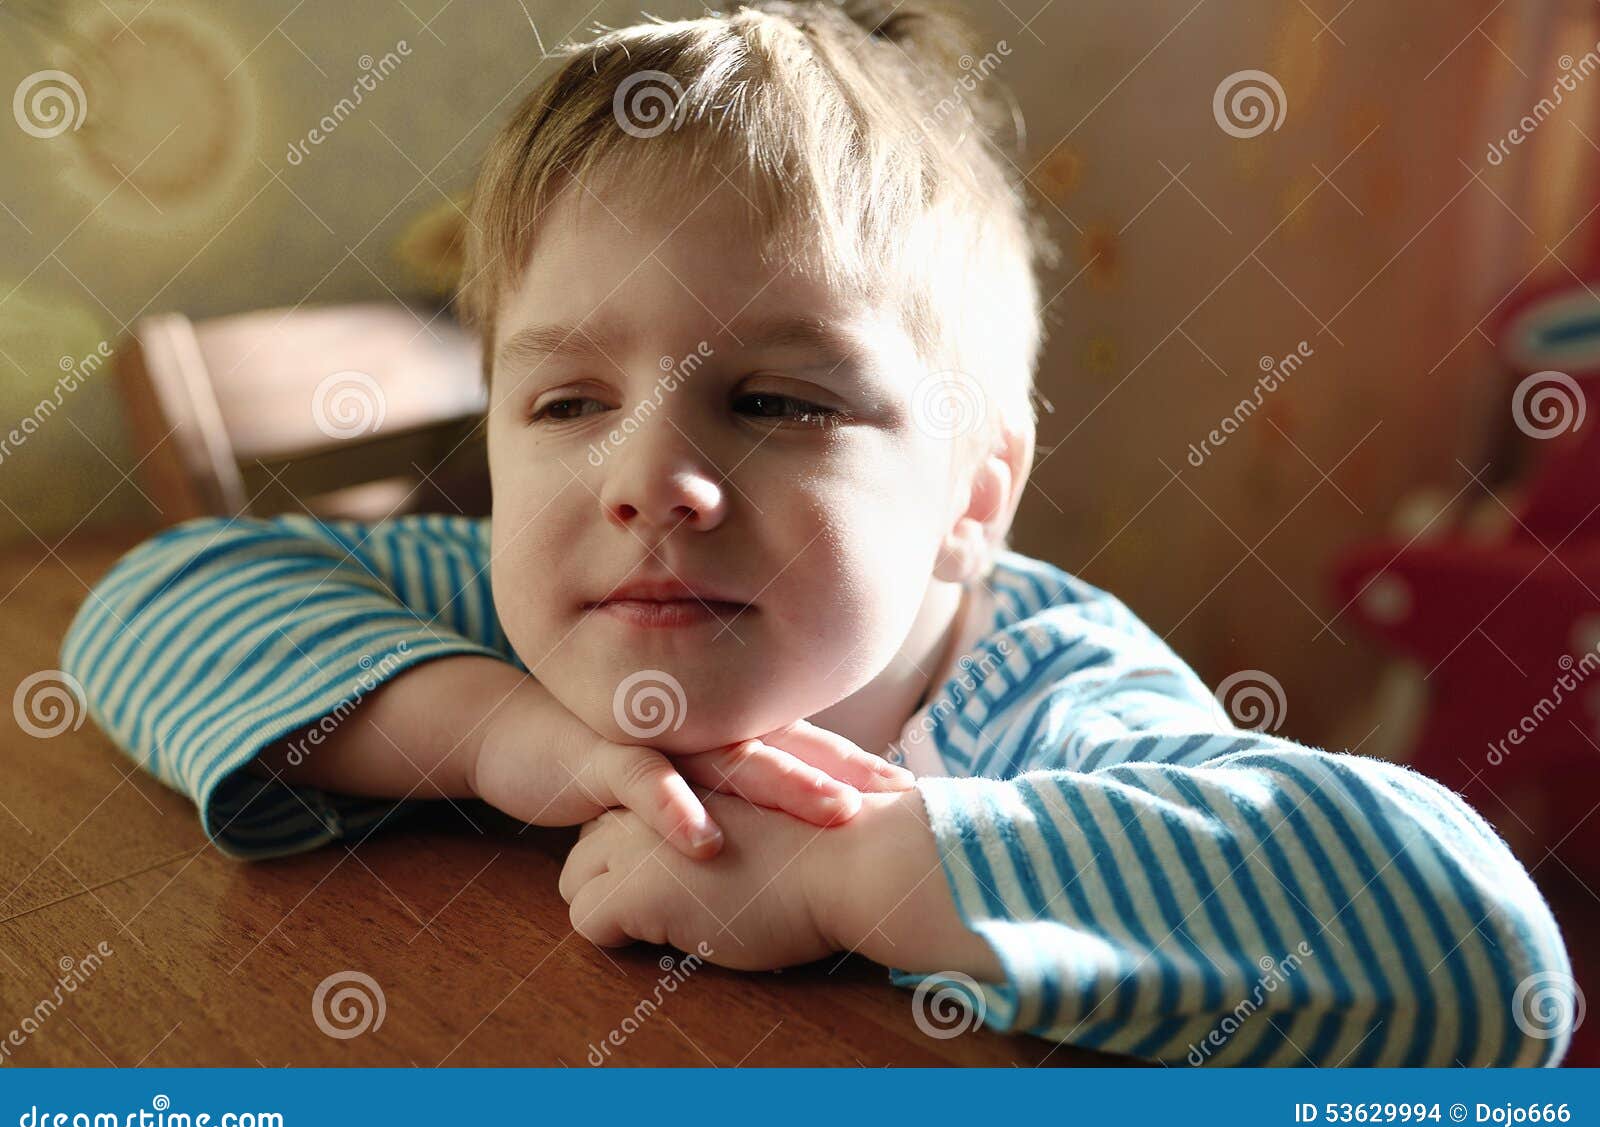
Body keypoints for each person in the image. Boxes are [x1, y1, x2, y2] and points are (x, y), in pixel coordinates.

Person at [61, 0, 1571, 1065]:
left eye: (776, 402)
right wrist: (511, 742)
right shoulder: (540, 616)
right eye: (569, 401)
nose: (651, 480)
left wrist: (858, 877)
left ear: (972, 497)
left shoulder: (1044, 700)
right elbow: (150, 600)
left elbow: (1484, 954)